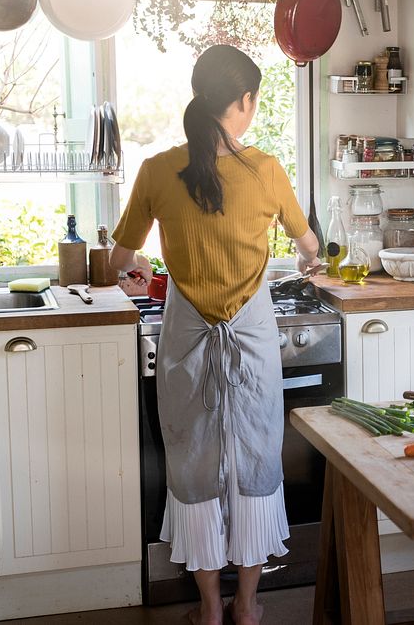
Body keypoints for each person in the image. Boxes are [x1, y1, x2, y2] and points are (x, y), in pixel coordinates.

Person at [110, 44, 321, 625]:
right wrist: (309, 261)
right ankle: (247, 606)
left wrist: (143, 271)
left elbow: (120, 262)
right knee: (255, 460)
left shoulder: (156, 171)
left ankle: (208, 609)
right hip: (250, 339)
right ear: (244, 102)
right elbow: (310, 248)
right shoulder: (268, 171)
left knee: (194, 464)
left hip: (186, 338)